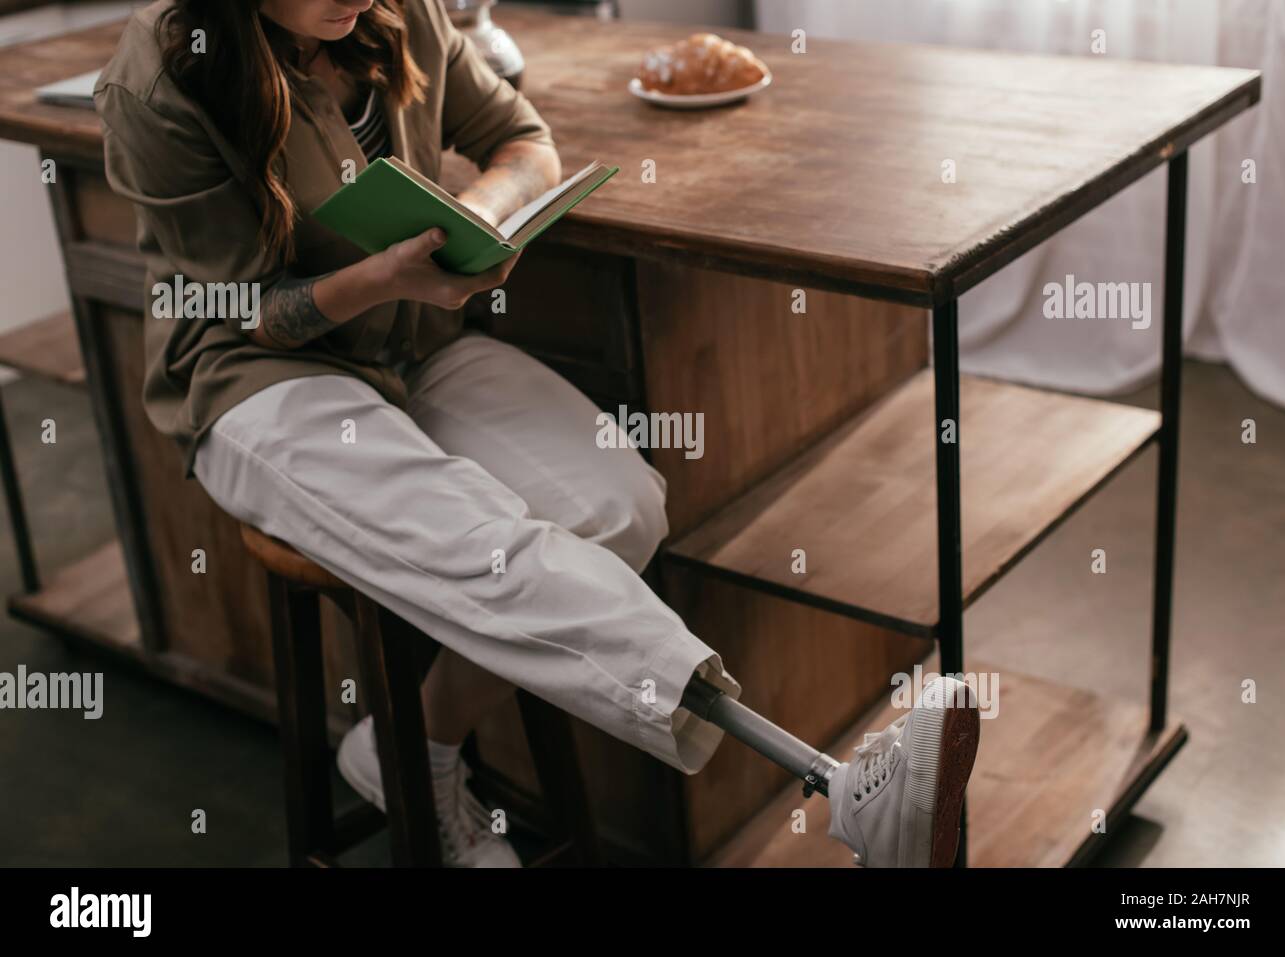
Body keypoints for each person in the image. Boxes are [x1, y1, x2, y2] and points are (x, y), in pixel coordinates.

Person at [95, 0, 979, 868]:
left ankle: (414, 752)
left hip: (413, 338)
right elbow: (243, 309)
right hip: (260, 379)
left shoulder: (398, 11)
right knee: (491, 542)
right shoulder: (164, 73)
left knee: (617, 503)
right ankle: (844, 786)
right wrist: (381, 277)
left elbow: (520, 136)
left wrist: (473, 218)